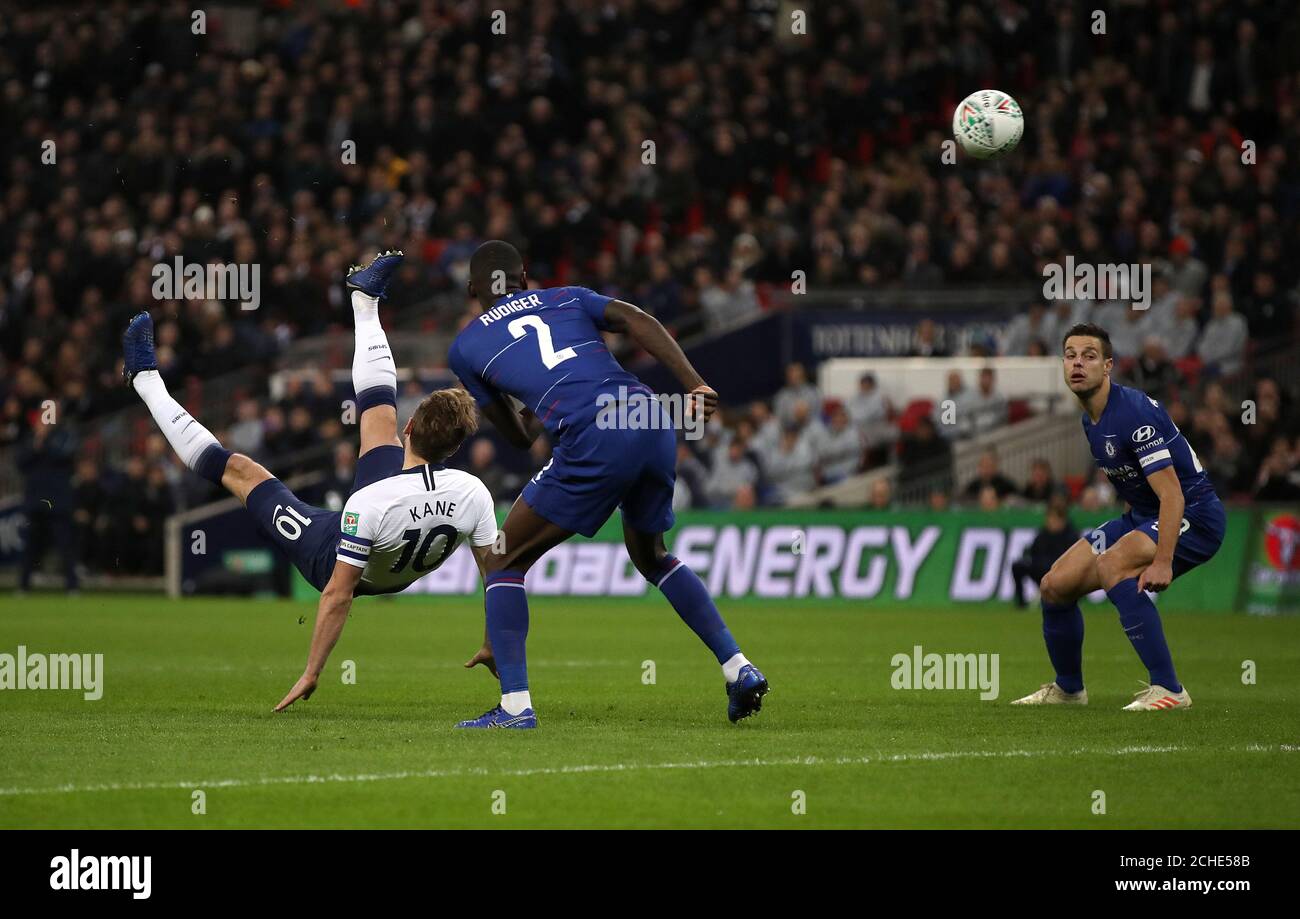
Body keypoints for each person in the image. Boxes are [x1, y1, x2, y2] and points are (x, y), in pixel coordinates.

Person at [121, 252, 499, 712]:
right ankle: (364, 300)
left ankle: (144, 380)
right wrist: (492, 640)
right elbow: (496, 575)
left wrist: (311, 673)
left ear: (411, 430)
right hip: (394, 528)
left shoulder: (369, 502)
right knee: (377, 413)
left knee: (239, 471)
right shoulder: (471, 492)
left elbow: (338, 594)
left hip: (328, 549)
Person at [447, 240, 767, 728]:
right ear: (525, 279)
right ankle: (738, 668)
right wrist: (695, 384)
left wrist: (537, 399)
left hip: (594, 434)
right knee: (652, 555)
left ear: (473, 289)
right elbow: (638, 320)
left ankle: (515, 706)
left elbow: (515, 436)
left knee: (502, 560)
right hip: (650, 417)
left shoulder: (465, 347)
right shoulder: (567, 296)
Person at [1012, 323, 1225, 711]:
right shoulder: (1090, 419)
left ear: (1108, 366)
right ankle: (1069, 690)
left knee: (1113, 566)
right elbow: (1134, 483)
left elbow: (1172, 493)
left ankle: (1170, 690)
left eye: (1089, 356)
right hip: (1143, 515)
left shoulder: (1133, 414)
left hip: (1194, 514)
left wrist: (1162, 560)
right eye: (1071, 355)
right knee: (1053, 586)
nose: (1078, 364)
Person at [1010, 497, 1078, 608]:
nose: (1049, 521)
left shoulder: (1071, 536)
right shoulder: (1043, 533)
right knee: (1018, 566)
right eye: (1049, 517)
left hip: (1059, 571)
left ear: (1062, 520)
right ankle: (1021, 603)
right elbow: (1033, 551)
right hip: (1041, 567)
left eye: (1053, 518)